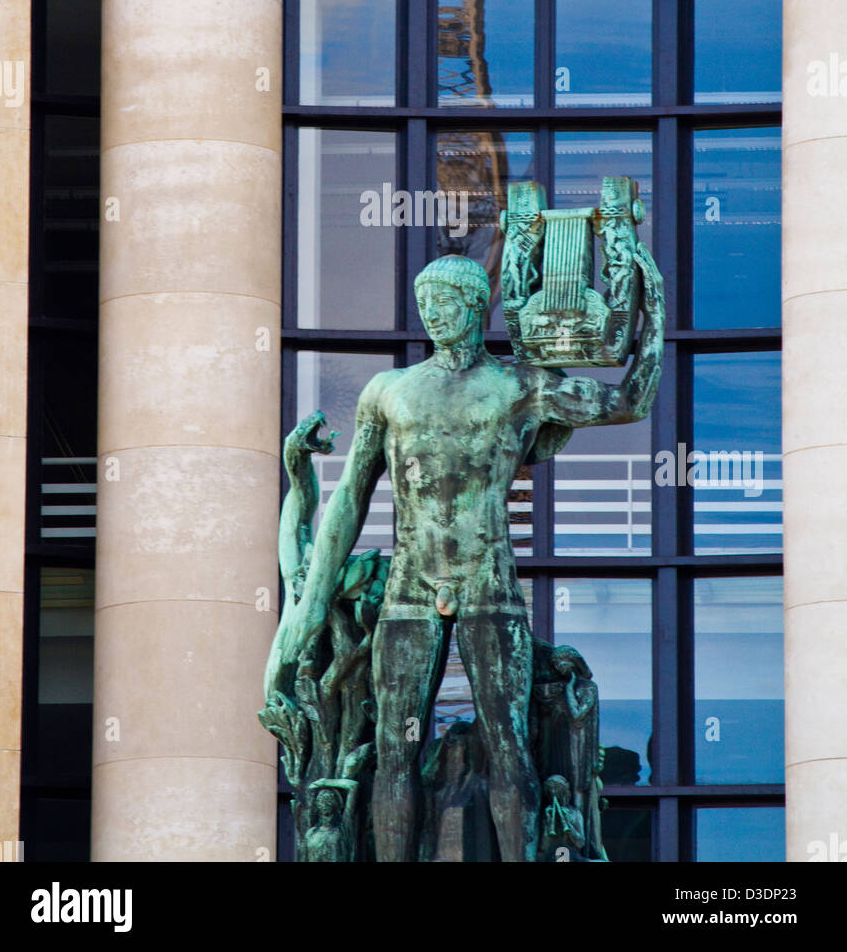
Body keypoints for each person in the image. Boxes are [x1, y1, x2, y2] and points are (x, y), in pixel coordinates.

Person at [266, 246, 663, 862]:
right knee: (397, 745)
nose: (433, 314)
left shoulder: (517, 385)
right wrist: (315, 597)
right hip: (411, 583)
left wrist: (653, 312)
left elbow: (627, 403)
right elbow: (349, 497)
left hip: (487, 582)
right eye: (425, 303)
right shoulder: (389, 391)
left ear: (477, 306)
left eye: (445, 302)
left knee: (509, 743)